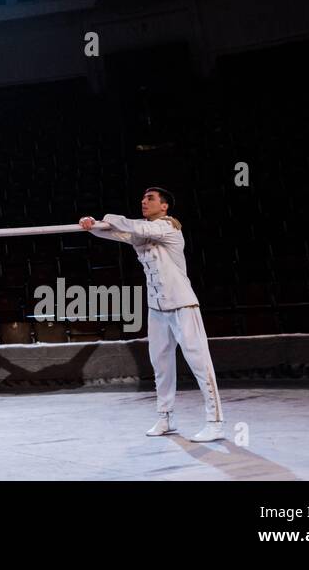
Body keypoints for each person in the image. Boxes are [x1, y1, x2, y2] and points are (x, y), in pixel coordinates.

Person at [80, 187, 224, 441]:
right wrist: (91, 225)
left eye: (150, 199)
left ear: (165, 206)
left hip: (182, 305)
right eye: (143, 198)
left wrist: (108, 218)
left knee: (200, 363)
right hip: (157, 309)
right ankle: (166, 417)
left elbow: (138, 228)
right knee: (161, 365)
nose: (143, 202)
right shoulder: (140, 232)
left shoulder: (169, 227)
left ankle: (215, 421)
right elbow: (116, 233)